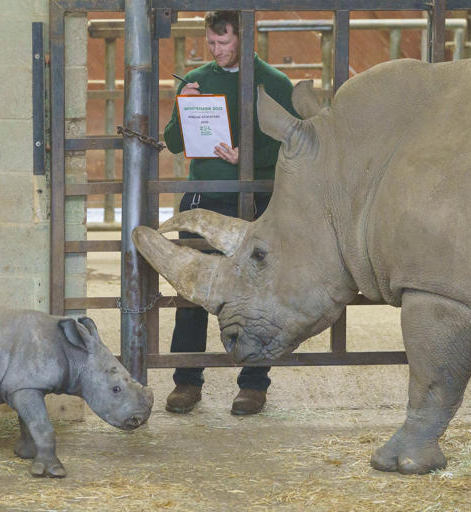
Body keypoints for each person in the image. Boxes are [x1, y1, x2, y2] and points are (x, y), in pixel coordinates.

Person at [162, 10, 298, 416]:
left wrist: (248, 158)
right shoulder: (197, 79)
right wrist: (182, 106)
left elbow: (294, 142)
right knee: (192, 289)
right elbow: (171, 142)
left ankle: (254, 385)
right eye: (211, 43)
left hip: (254, 200)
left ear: (244, 38)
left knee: (255, 293)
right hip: (203, 199)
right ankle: (187, 380)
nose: (216, 50)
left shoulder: (275, 84)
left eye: (224, 43)